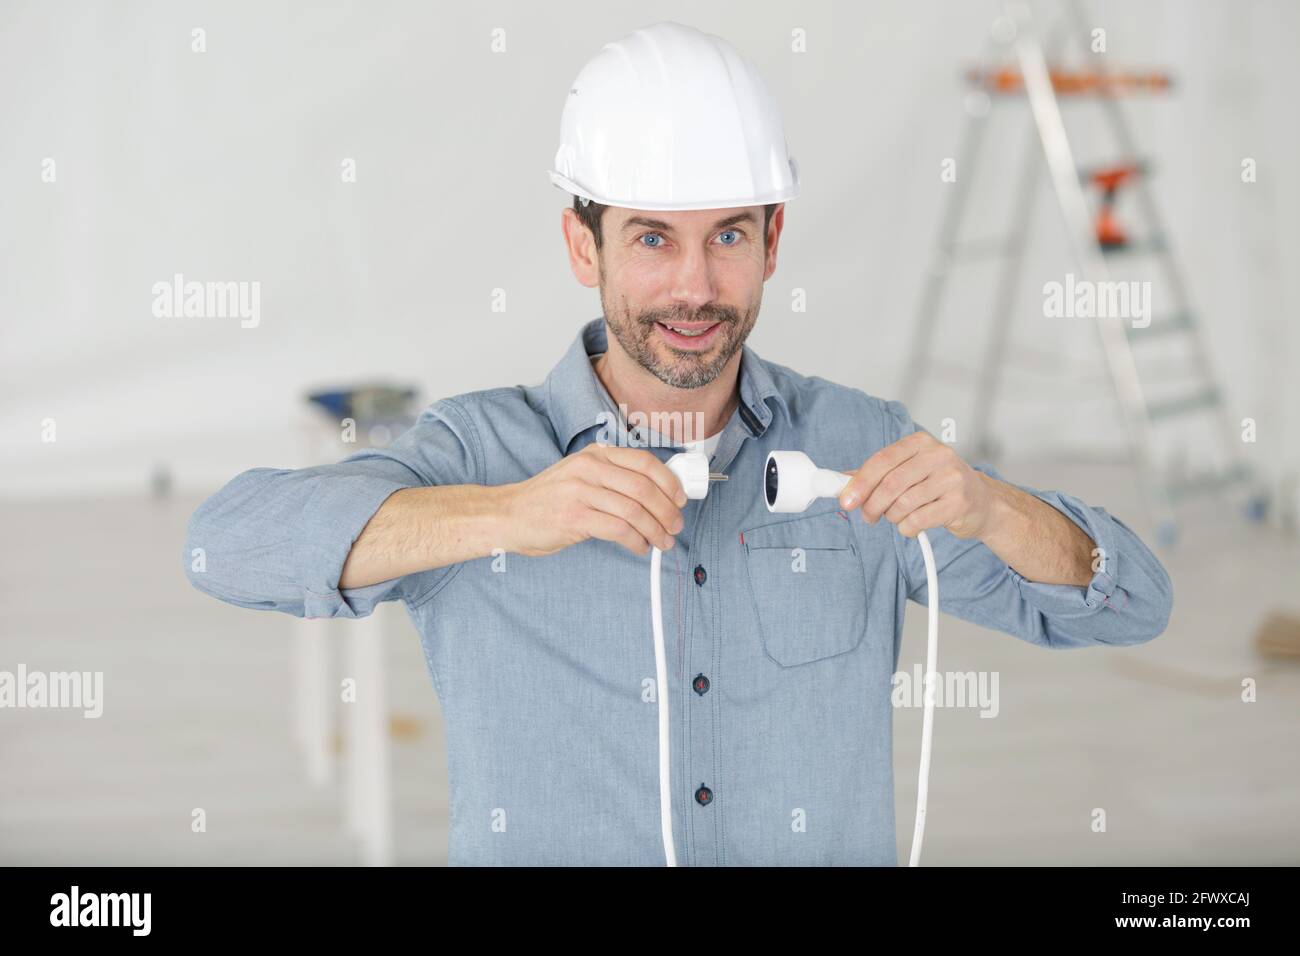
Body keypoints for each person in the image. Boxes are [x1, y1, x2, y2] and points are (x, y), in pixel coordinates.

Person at [184, 20, 1173, 866]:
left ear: (772, 242)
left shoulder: (860, 446)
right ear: (584, 246)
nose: (695, 287)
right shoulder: (482, 451)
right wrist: (508, 513)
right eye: (654, 238)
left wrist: (996, 509)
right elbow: (223, 547)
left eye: (728, 236)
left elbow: (1132, 605)